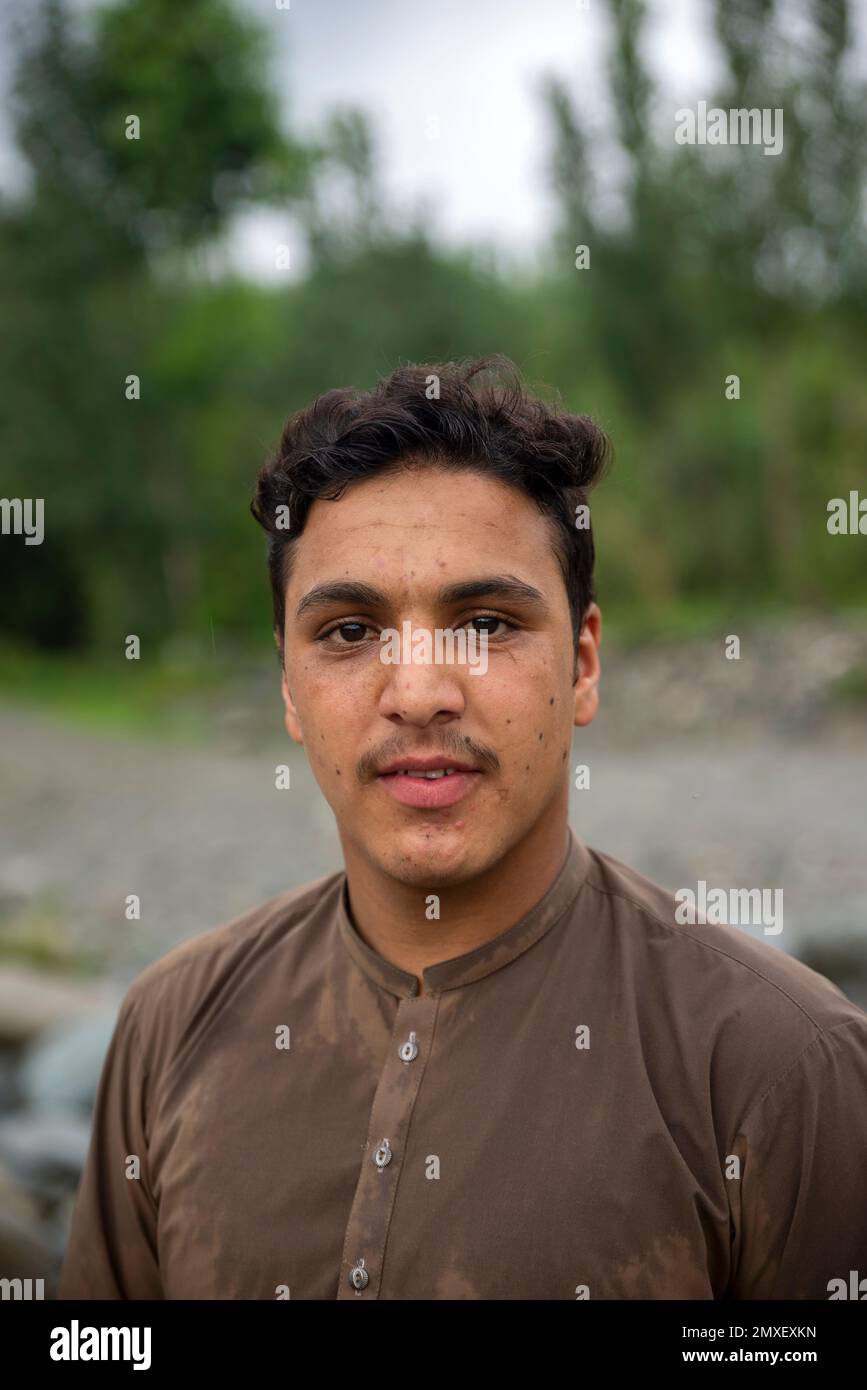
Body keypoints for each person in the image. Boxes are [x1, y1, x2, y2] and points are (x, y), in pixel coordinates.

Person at [59, 356, 867, 1300]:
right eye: (350, 632)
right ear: (288, 686)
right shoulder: (171, 1026)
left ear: (582, 664)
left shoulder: (776, 1065)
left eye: (484, 623)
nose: (417, 696)